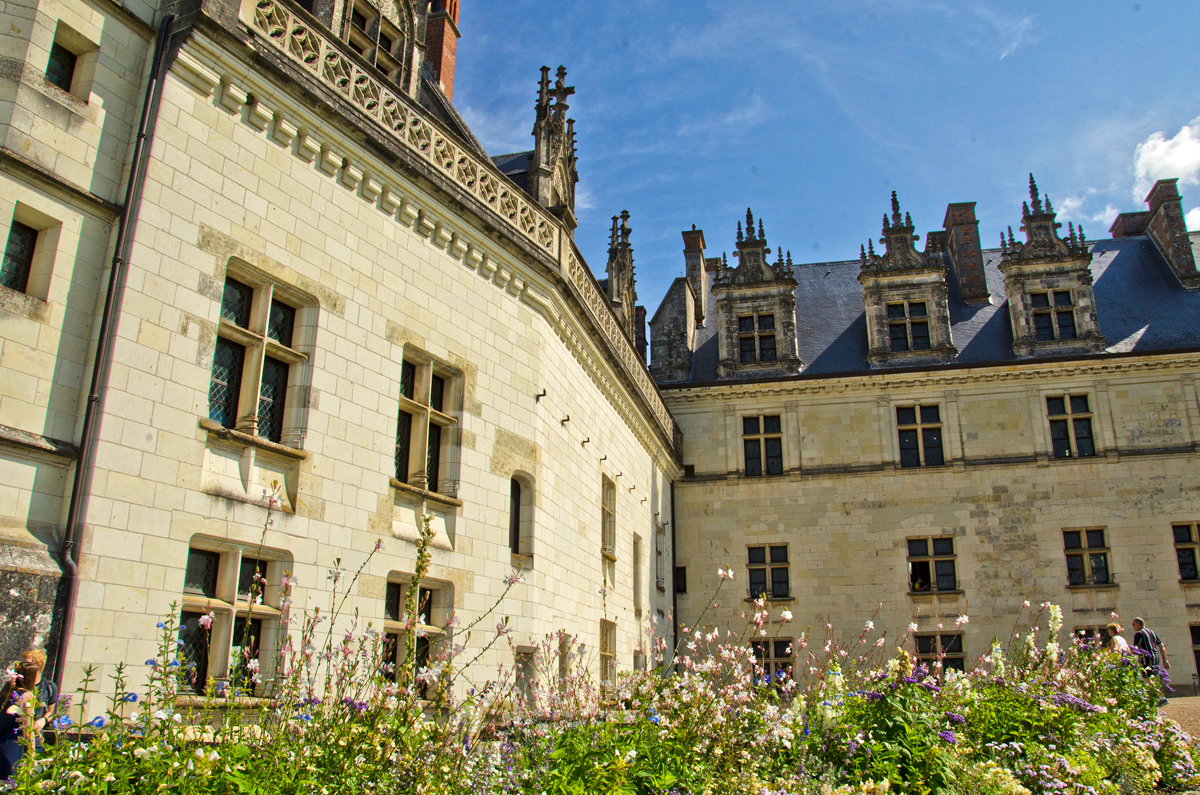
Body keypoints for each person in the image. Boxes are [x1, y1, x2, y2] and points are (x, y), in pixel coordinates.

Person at [0, 659, 42, 780]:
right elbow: (27, 729)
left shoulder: (6, 692)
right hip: (14, 746)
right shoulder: (27, 696)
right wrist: (32, 753)